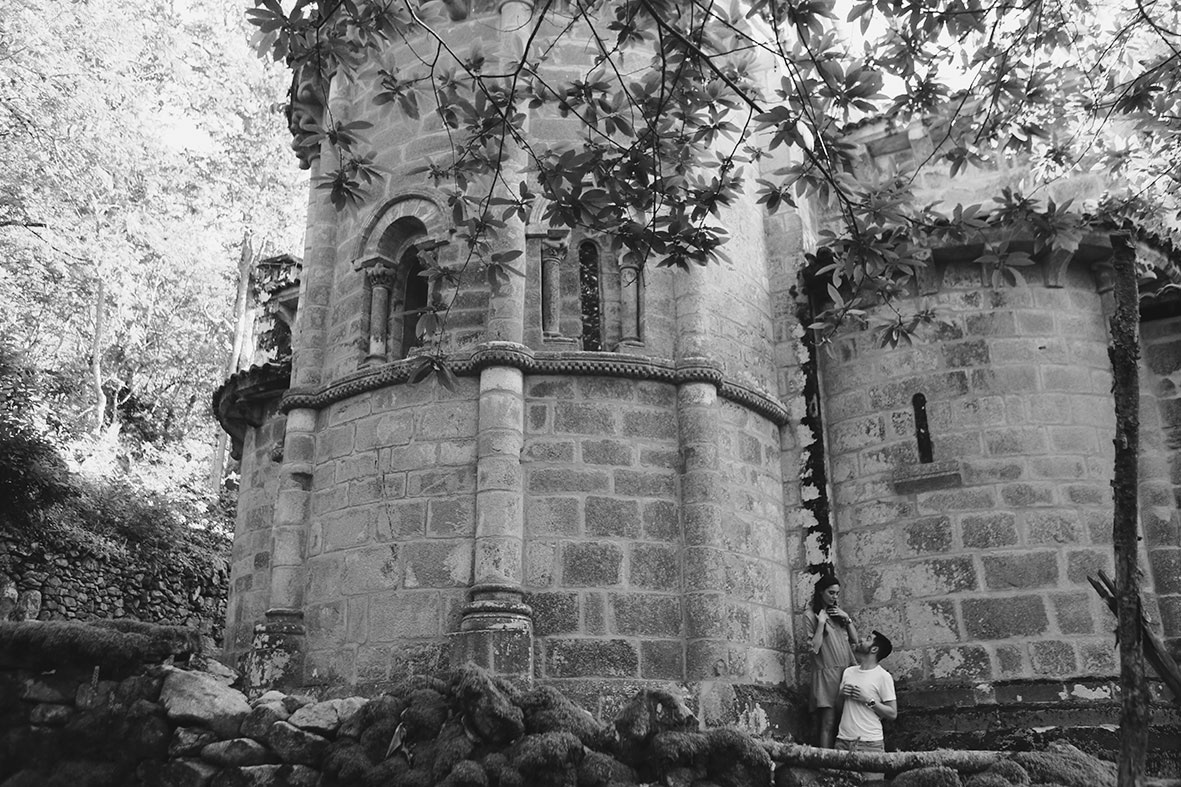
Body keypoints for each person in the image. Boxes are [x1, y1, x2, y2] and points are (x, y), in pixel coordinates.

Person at [803, 574, 858, 748]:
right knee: (828, 722)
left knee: (847, 720)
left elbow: (855, 641)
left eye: (837, 593)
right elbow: (814, 648)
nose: (835, 597)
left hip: (846, 671)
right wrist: (820, 623)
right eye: (831, 593)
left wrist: (847, 618)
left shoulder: (838, 614)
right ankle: (826, 765)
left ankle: (844, 761)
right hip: (827, 674)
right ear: (821, 592)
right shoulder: (809, 615)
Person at [834, 630, 897, 780]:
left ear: (874, 649)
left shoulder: (883, 677)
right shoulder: (848, 672)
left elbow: (892, 713)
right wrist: (841, 695)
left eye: (868, 639)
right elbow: (839, 708)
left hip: (870, 744)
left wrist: (868, 699)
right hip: (843, 741)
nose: (861, 639)